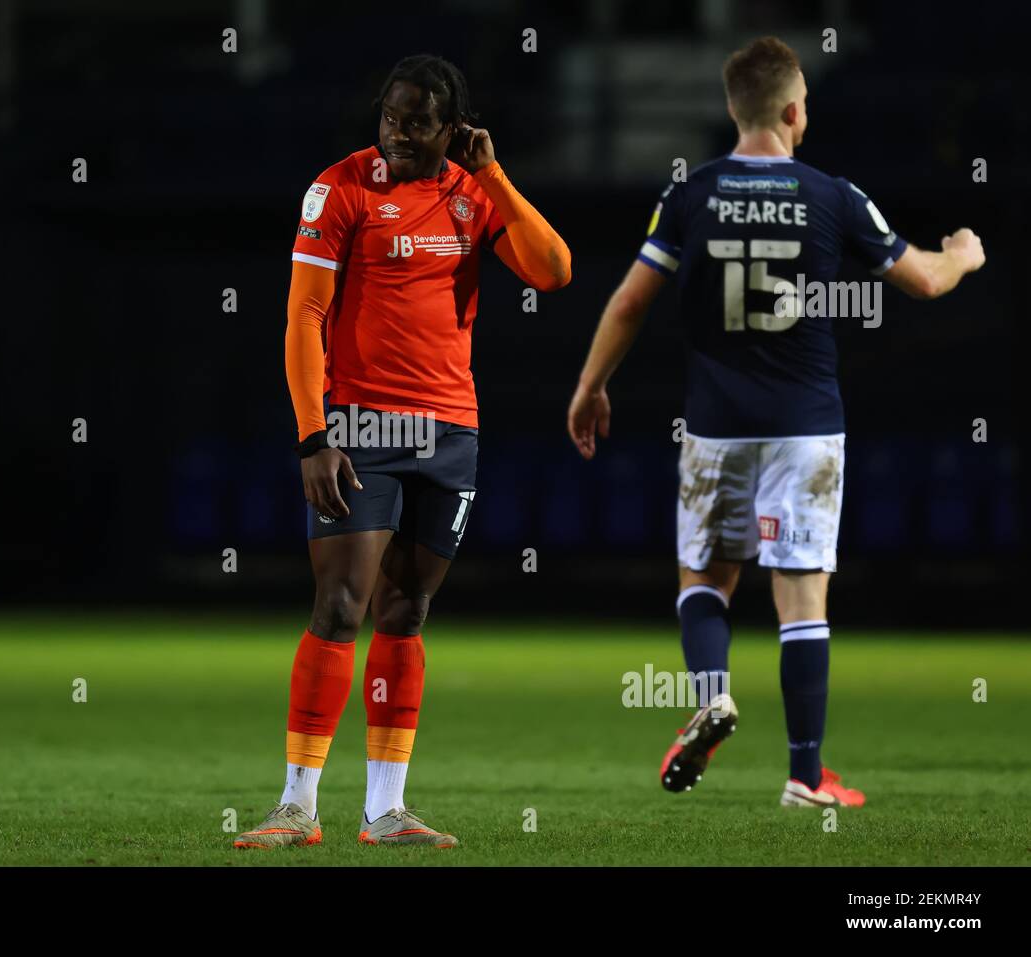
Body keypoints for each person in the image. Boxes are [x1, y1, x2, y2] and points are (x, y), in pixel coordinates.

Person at [566, 36, 984, 807]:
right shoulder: (833, 195)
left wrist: (591, 385)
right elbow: (923, 280)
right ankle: (804, 773)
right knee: (801, 597)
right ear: (794, 110)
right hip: (806, 426)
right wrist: (964, 252)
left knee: (706, 579)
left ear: (732, 108)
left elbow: (629, 300)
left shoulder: (690, 194)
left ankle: (712, 696)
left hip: (716, 424)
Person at [234, 54, 571, 849]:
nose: (398, 134)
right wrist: (313, 436)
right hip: (362, 429)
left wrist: (495, 178)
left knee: (406, 610)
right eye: (391, 117)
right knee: (341, 605)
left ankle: (385, 811)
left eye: (418, 122)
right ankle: (296, 806)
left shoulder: (471, 192)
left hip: (451, 430)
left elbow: (553, 271)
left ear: (453, 128)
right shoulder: (341, 188)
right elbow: (303, 318)